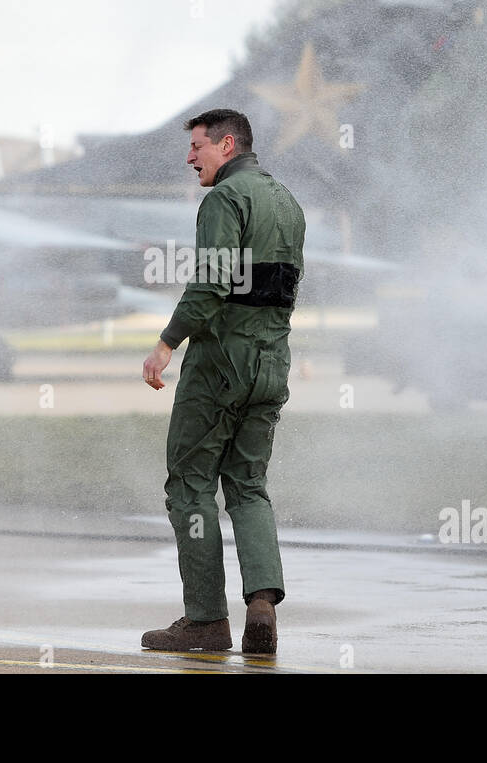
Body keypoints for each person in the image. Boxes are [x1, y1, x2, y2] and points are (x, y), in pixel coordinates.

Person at [140, 109, 305, 654]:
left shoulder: (223, 200)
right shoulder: (287, 202)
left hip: (219, 365)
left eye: (197, 147)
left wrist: (167, 342)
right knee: (249, 487)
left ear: (227, 144)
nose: (190, 158)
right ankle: (261, 603)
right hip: (271, 362)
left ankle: (207, 620)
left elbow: (210, 284)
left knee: (190, 487)